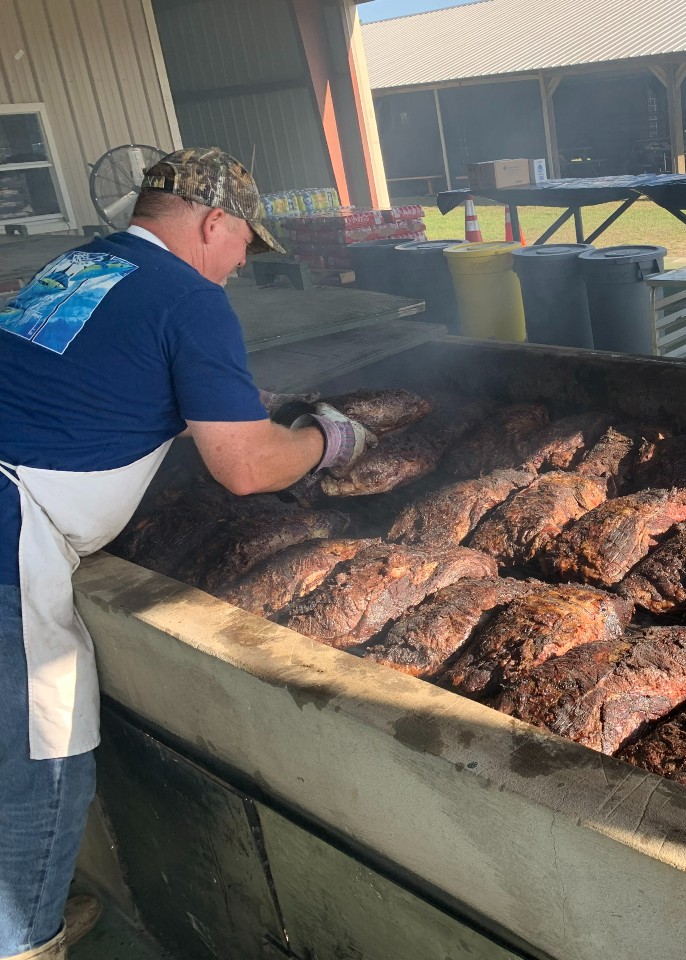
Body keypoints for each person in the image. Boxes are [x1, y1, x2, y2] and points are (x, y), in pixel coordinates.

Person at [0, 147, 377, 960]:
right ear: (213, 223)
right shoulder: (189, 298)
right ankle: (25, 941)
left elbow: (101, 373)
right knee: (41, 756)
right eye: (245, 243)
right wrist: (325, 441)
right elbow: (245, 469)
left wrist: (232, 399)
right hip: (5, 529)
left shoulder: (83, 266)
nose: (242, 264)